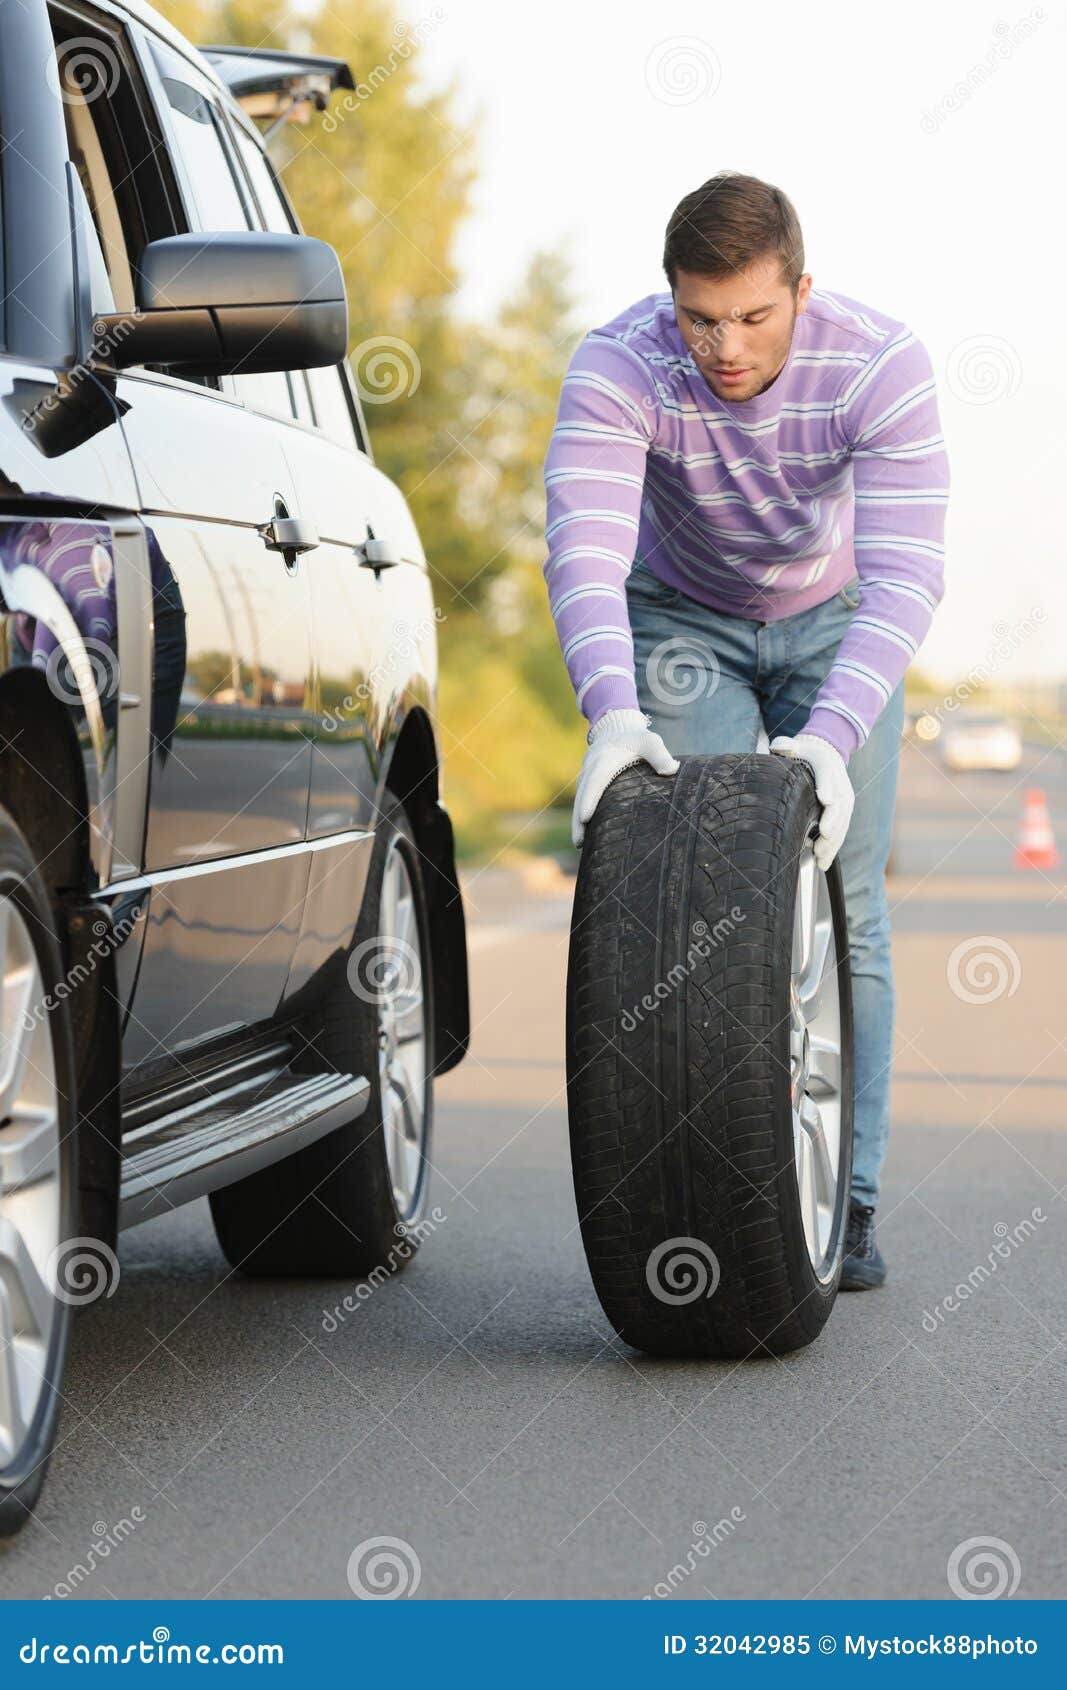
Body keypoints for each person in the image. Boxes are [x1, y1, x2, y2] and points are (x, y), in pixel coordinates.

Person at [542, 171, 949, 1290]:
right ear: (669, 301)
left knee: (844, 894)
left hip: (832, 620)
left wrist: (828, 737)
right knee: (699, 899)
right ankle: (704, 1182)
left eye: (752, 317)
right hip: (681, 623)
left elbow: (907, 576)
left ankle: (847, 1199)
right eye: (699, 318)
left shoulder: (876, 361)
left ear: (799, 292)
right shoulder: (622, 362)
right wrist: (611, 711)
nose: (724, 346)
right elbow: (582, 543)